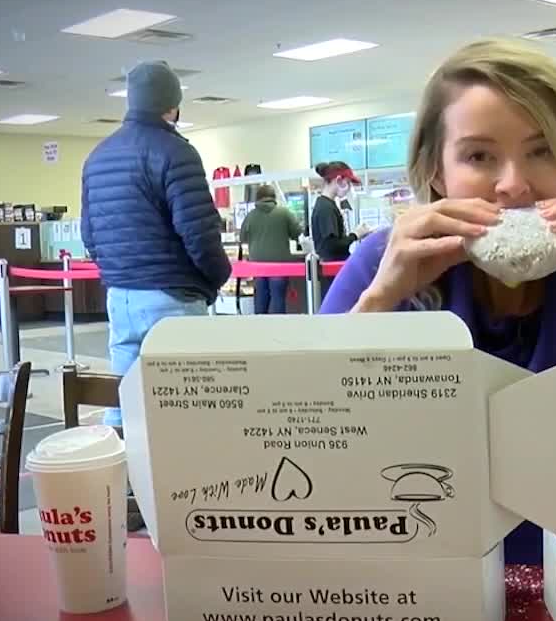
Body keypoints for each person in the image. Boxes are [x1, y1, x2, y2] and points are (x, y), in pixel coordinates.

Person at [320, 38, 556, 565]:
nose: (514, 186)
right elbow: (310, 431)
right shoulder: (386, 258)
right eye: (479, 156)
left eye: (542, 151)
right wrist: (381, 299)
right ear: (436, 171)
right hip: (424, 568)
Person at [82, 60, 230, 426]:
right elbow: (198, 231)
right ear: (173, 105)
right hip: (172, 295)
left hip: (121, 294)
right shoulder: (176, 151)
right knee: (183, 410)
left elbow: (89, 234)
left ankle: (120, 478)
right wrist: (217, 276)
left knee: (122, 401)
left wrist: (118, 271)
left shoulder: (97, 156)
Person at [240, 184, 303, 314]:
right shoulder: (284, 213)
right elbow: (298, 233)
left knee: (261, 300)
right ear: (273, 197)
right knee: (278, 299)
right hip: (279, 265)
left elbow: (243, 238)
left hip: (257, 266)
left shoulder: (250, 216)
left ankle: (260, 330)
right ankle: (279, 331)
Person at [309, 161, 365, 263]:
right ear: (339, 180)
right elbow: (332, 246)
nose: (349, 188)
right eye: (348, 183)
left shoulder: (327, 205)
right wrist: (355, 235)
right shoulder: (326, 208)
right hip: (332, 268)